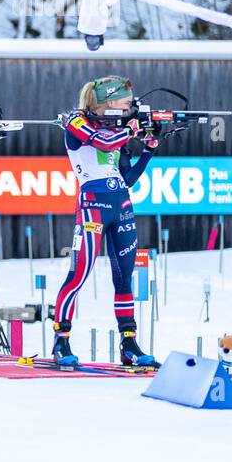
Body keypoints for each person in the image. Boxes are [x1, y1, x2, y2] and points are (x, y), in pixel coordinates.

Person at [50, 76, 158, 367]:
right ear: (109, 102)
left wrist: (148, 149)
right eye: (125, 104)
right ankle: (61, 341)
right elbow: (104, 143)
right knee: (79, 273)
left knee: (124, 278)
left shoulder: (116, 127)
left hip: (121, 203)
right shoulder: (77, 121)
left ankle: (129, 344)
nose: (129, 109)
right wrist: (132, 128)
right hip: (92, 206)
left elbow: (128, 179)